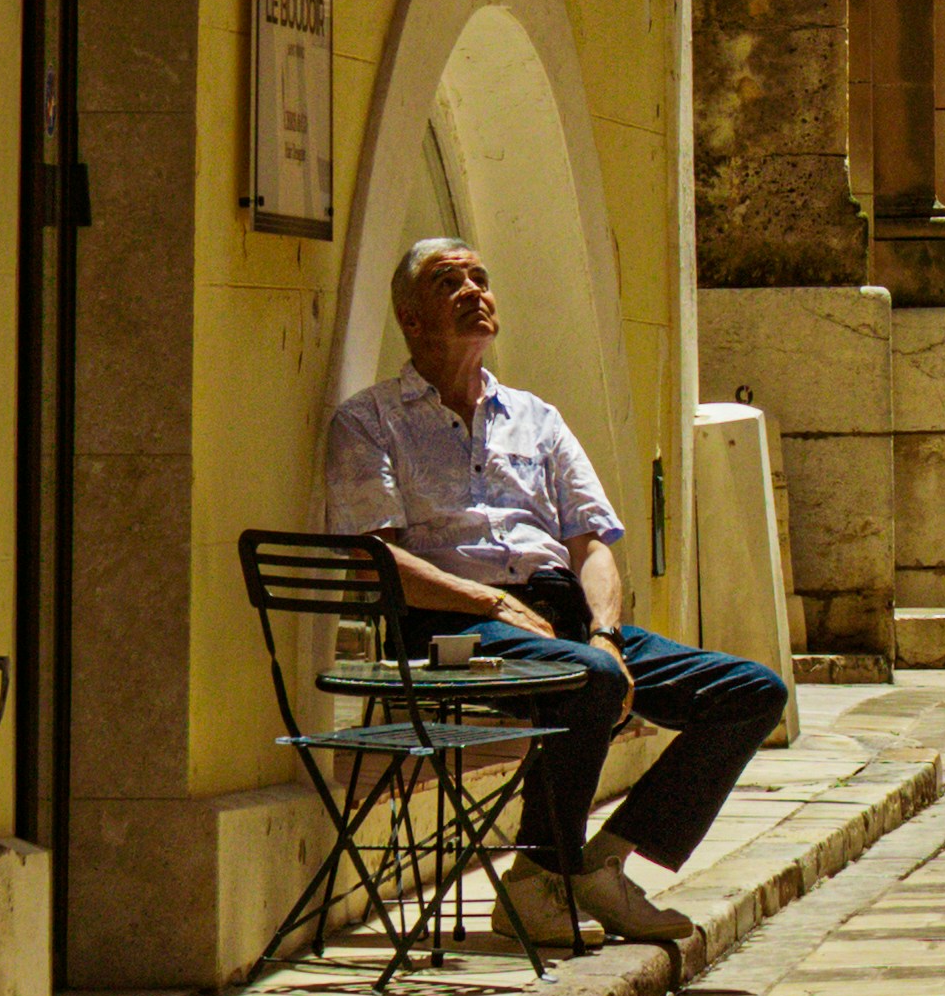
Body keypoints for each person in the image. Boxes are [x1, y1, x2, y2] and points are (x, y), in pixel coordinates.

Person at [323, 236, 788, 955]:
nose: (475, 291)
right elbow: (375, 559)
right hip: (453, 625)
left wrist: (603, 629)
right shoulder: (370, 420)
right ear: (412, 319)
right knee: (591, 680)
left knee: (751, 690)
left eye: (481, 277)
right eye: (451, 283)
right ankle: (539, 877)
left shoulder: (536, 418)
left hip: (564, 622)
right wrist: (493, 607)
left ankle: (598, 864)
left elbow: (592, 542)